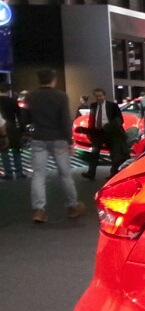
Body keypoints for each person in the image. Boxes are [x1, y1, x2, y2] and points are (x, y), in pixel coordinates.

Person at [25, 69, 84, 223]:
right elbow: (65, 120)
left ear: (39, 79)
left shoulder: (30, 96)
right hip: (59, 139)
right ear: (53, 80)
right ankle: (72, 207)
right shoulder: (61, 96)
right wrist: (70, 141)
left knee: (38, 175)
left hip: (38, 138)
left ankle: (39, 210)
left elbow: (25, 119)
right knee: (65, 174)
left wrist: (30, 132)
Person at [84, 87, 128, 181]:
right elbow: (91, 119)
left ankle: (113, 174)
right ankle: (91, 173)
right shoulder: (93, 106)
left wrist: (109, 127)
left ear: (104, 96)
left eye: (100, 96)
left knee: (114, 154)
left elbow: (120, 120)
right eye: (96, 96)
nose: (98, 98)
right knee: (94, 153)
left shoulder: (112, 106)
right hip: (98, 133)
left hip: (111, 133)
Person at [0, 84, 24, 179]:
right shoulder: (13, 101)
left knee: (3, 150)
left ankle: (8, 173)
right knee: (16, 150)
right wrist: (22, 129)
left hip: (1, 127)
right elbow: (19, 116)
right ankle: (19, 172)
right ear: (9, 90)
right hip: (12, 127)